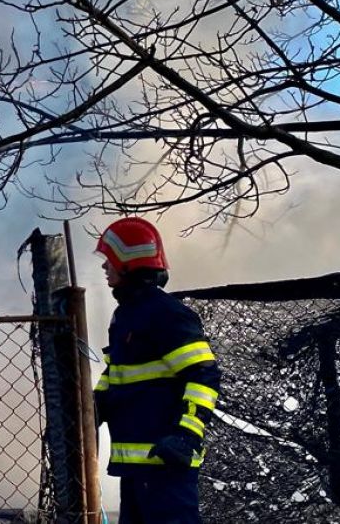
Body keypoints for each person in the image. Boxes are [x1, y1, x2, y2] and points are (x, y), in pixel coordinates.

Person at [93, 218, 222, 524]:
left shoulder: (166, 314)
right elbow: (116, 374)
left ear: (128, 263)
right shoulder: (125, 316)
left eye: (109, 259)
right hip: (137, 468)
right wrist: (90, 409)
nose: (104, 267)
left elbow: (203, 374)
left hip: (166, 466)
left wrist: (186, 434)